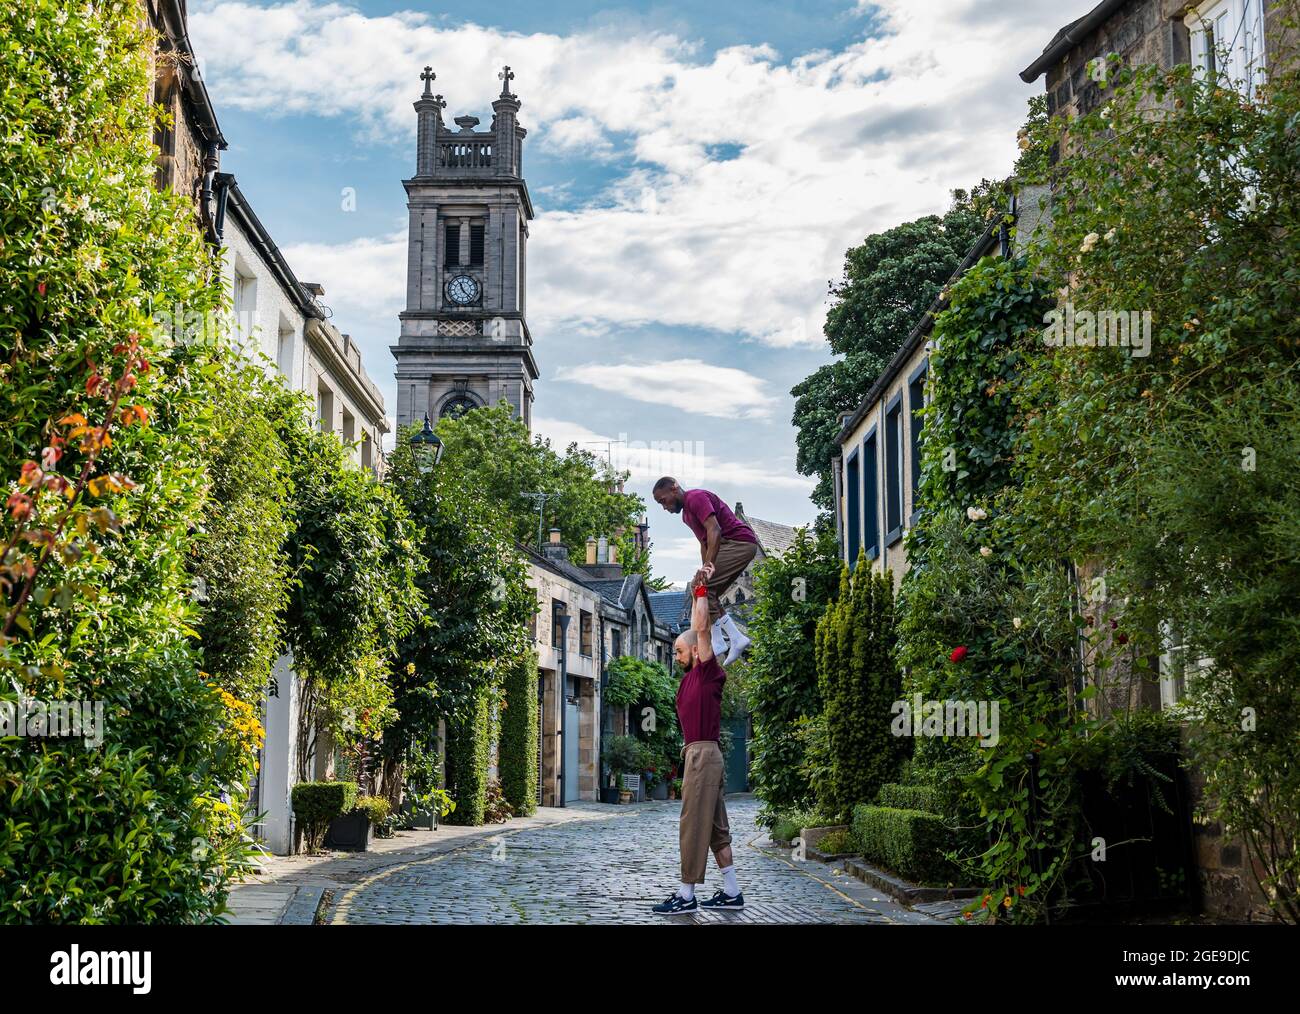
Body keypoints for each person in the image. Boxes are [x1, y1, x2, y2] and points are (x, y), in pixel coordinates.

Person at [652, 566, 744, 914]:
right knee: (717, 829)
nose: (675, 658)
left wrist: (702, 592)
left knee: (692, 823)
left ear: (694, 651)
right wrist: (694, 590)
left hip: (702, 756)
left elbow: (701, 629)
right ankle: (732, 891)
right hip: (701, 754)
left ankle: (686, 895)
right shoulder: (691, 678)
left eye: (678, 651)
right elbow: (697, 626)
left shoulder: (708, 672)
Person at [651, 477, 757, 664]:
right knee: (705, 590)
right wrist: (704, 569)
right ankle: (734, 639)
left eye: (663, 500)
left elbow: (714, 530)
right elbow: (704, 543)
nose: (664, 507)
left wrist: (709, 566)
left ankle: (721, 640)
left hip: (739, 543)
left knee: (699, 587)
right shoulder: (686, 515)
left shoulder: (696, 498)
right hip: (727, 546)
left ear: (674, 488)